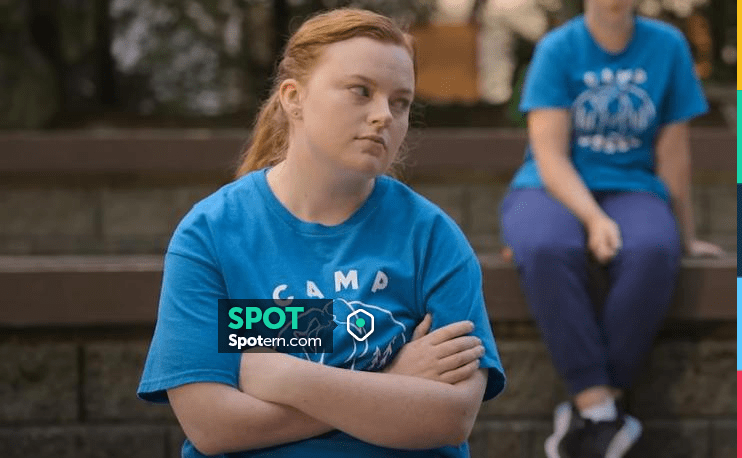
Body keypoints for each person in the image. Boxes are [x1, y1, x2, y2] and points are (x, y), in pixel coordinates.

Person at [137, 8, 506, 458]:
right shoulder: (211, 235)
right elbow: (213, 425)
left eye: (400, 102)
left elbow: (452, 417)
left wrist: (291, 381)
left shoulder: (432, 237)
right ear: (294, 98)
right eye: (360, 91)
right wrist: (390, 382)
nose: (383, 116)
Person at [498, 0, 724, 456]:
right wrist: (594, 219)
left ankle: (591, 411)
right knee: (545, 247)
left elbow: (674, 153)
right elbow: (551, 155)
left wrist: (684, 234)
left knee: (655, 252)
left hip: (634, 188)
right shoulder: (558, 48)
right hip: (550, 187)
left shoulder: (668, 46)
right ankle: (602, 412)